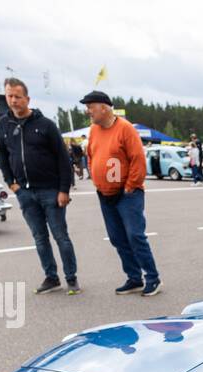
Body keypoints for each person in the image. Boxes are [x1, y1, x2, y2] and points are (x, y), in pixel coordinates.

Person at [0, 77, 79, 295]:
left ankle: (71, 279)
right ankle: (51, 277)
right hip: (25, 192)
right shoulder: (5, 125)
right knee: (39, 238)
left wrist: (64, 190)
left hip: (50, 191)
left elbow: (63, 159)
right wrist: (11, 183)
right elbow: (3, 155)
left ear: (27, 99)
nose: (13, 100)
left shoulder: (45, 125)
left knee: (61, 236)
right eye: (9, 96)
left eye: (17, 96)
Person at [82, 89, 161, 296]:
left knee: (135, 235)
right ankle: (134, 278)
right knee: (117, 238)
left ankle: (152, 278)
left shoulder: (125, 129)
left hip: (127, 194)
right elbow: (91, 155)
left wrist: (129, 185)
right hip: (104, 194)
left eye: (90, 107)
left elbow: (138, 160)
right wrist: (95, 177)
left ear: (104, 107)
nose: (88, 111)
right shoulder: (94, 130)